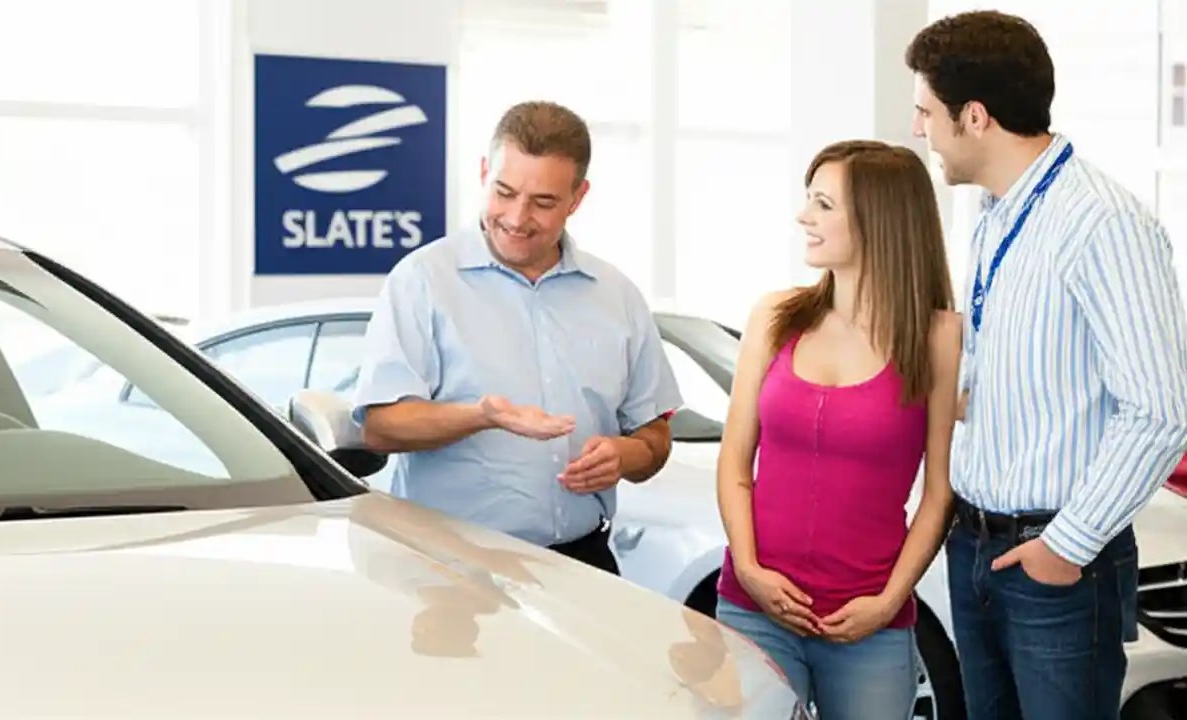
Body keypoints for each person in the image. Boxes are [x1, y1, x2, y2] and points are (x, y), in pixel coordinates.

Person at [906, 10, 1187, 720]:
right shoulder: (996, 215)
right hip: (975, 546)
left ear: (974, 117)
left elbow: (1160, 412)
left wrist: (1067, 544)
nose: (920, 131)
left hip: (1057, 561)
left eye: (926, 112)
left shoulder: (1104, 223)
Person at [350, 100, 682, 575]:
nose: (517, 216)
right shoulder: (422, 280)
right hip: (448, 567)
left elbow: (655, 437)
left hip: (583, 564)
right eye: (504, 191)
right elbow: (380, 427)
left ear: (577, 198)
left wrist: (626, 455)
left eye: (543, 202)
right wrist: (481, 415)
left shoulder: (618, 296)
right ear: (484, 172)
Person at [714, 139, 962, 718]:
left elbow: (938, 492)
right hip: (755, 608)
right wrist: (750, 571)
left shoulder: (939, 336)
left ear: (879, 220)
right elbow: (734, 464)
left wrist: (889, 602)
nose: (805, 217)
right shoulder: (775, 317)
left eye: (823, 204)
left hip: (869, 625)